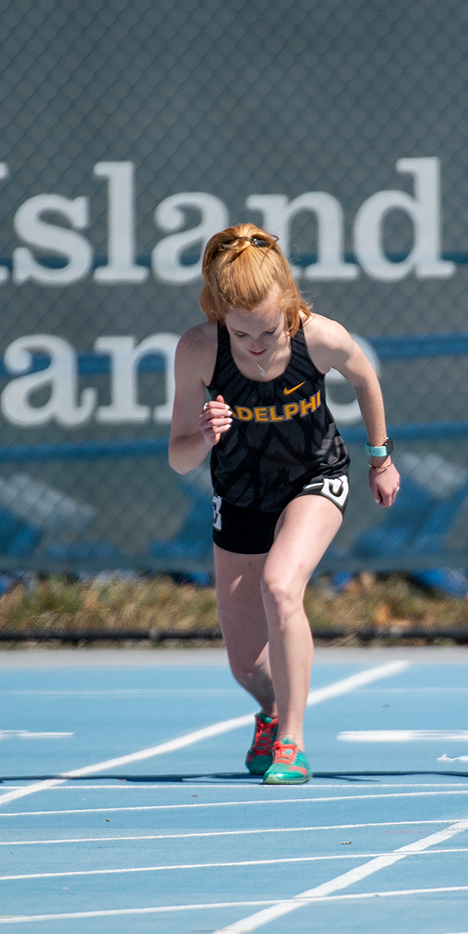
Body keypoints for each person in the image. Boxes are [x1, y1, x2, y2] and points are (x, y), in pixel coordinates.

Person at [169, 224, 399, 785]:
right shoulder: (199, 350)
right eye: (241, 331)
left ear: (289, 306)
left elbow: (365, 379)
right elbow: (178, 458)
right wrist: (202, 436)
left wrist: (380, 457)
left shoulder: (319, 337)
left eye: (267, 330)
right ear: (220, 315)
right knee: (246, 662)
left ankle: (292, 741)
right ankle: (272, 713)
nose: (255, 343)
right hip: (241, 494)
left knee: (280, 584)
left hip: (314, 477)